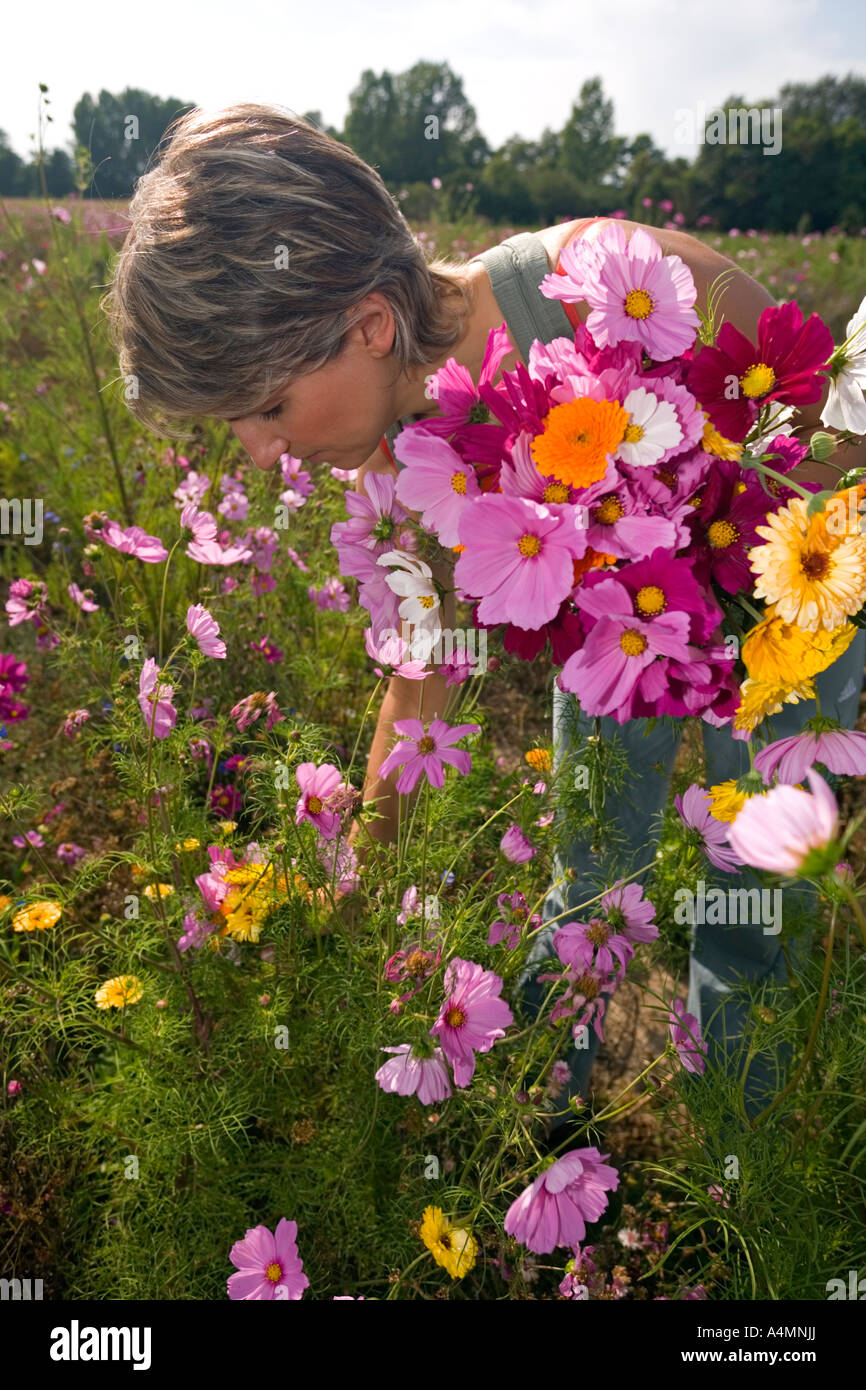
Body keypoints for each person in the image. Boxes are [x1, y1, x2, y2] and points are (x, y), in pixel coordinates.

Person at [103, 101, 866, 1127]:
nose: (255, 451)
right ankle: (542, 1126)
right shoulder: (394, 439)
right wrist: (362, 877)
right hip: (622, 644)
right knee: (591, 872)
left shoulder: (615, 283)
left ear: (368, 324)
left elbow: (830, 443)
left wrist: (713, 538)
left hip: (787, 609)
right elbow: (421, 657)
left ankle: (745, 1155)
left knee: (757, 895)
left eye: (267, 408)